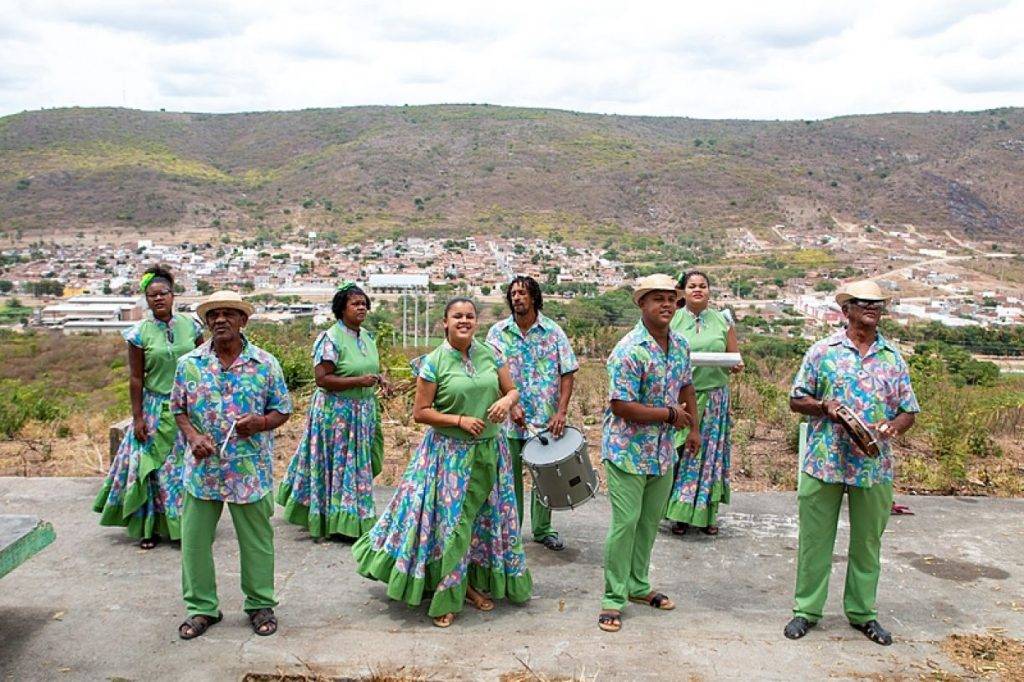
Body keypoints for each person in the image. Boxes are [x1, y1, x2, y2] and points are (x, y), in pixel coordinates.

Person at [353, 297, 532, 628]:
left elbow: (512, 390)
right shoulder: (434, 362)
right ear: (445, 323)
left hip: (491, 452)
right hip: (450, 458)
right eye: (457, 316)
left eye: (470, 316)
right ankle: (447, 594)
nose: (464, 321)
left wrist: (506, 402)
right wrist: (459, 420)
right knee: (452, 526)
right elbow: (421, 413)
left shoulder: (492, 353)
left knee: (483, 523)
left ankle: (470, 584)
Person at [783, 280, 919, 646]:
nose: (872, 307)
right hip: (825, 460)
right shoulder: (822, 352)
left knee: (867, 542)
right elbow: (796, 400)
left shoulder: (893, 358)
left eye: (877, 303)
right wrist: (823, 406)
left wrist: (893, 426)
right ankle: (806, 610)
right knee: (815, 540)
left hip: (872, 465)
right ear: (846, 310)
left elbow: (908, 410)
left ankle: (862, 613)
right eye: (863, 302)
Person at [171, 290, 292, 640]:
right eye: (213, 315)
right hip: (203, 470)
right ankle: (202, 608)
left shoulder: (265, 364)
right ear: (207, 322)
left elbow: (282, 409)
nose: (220, 320)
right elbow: (178, 409)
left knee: (256, 541)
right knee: (194, 542)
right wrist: (193, 436)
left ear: (243, 320)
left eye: (229, 313)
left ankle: (260, 604)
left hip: (248, 469)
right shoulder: (189, 364)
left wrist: (261, 423)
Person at [598, 274, 699, 633]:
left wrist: (694, 429)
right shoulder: (629, 349)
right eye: (658, 299)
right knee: (626, 523)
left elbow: (686, 386)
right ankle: (613, 598)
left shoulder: (680, 344)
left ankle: (638, 585)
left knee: (649, 522)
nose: (667, 305)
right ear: (642, 304)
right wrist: (670, 415)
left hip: (662, 451)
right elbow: (621, 405)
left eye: (671, 299)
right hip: (627, 450)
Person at [93, 265, 203, 549]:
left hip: (187, 408)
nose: (158, 299)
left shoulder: (191, 327)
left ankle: (184, 528)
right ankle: (149, 529)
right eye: (152, 295)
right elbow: (136, 378)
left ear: (173, 294)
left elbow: (204, 365)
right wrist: (138, 417)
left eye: (163, 293)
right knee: (152, 470)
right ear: (146, 299)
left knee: (183, 470)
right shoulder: (139, 334)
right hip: (155, 408)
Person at [277, 281, 386, 540]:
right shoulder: (331, 339)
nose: (361, 308)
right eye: (355, 304)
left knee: (356, 465)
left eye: (364, 304)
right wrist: (358, 382)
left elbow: (365, 368)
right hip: (337, 414)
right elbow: (322, 379)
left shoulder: (367, 337)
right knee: (338, 465)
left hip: (362, 412)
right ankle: (338, 519)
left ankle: (348, 516)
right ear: (341, 309)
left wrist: (379, 379)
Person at [485, 276, 579, 551]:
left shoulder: (553, 332)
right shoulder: (498, 333)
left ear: (534, 297)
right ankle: (511, 531)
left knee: (545, 479)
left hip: (544, 420)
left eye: (523, 293)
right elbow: (490, 372)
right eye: (513, 293)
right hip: (508, 421)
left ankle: (542, 530)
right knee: (509, 479)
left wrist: (561, 412)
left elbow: (567, 372)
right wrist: (509, 404)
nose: (517, 297)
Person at [665, 271, 743, 536]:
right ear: (684, 292)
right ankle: (678, 513)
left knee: (708, 457)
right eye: (692, 286)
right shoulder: (673, 319)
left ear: (709, 291)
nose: (698, 290)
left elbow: (734, 357)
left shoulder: (723, 320)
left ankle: (706, 514)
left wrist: (735, 364)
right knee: (682, 453)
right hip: (681, 397)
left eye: (702, 286)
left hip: (714, 398)